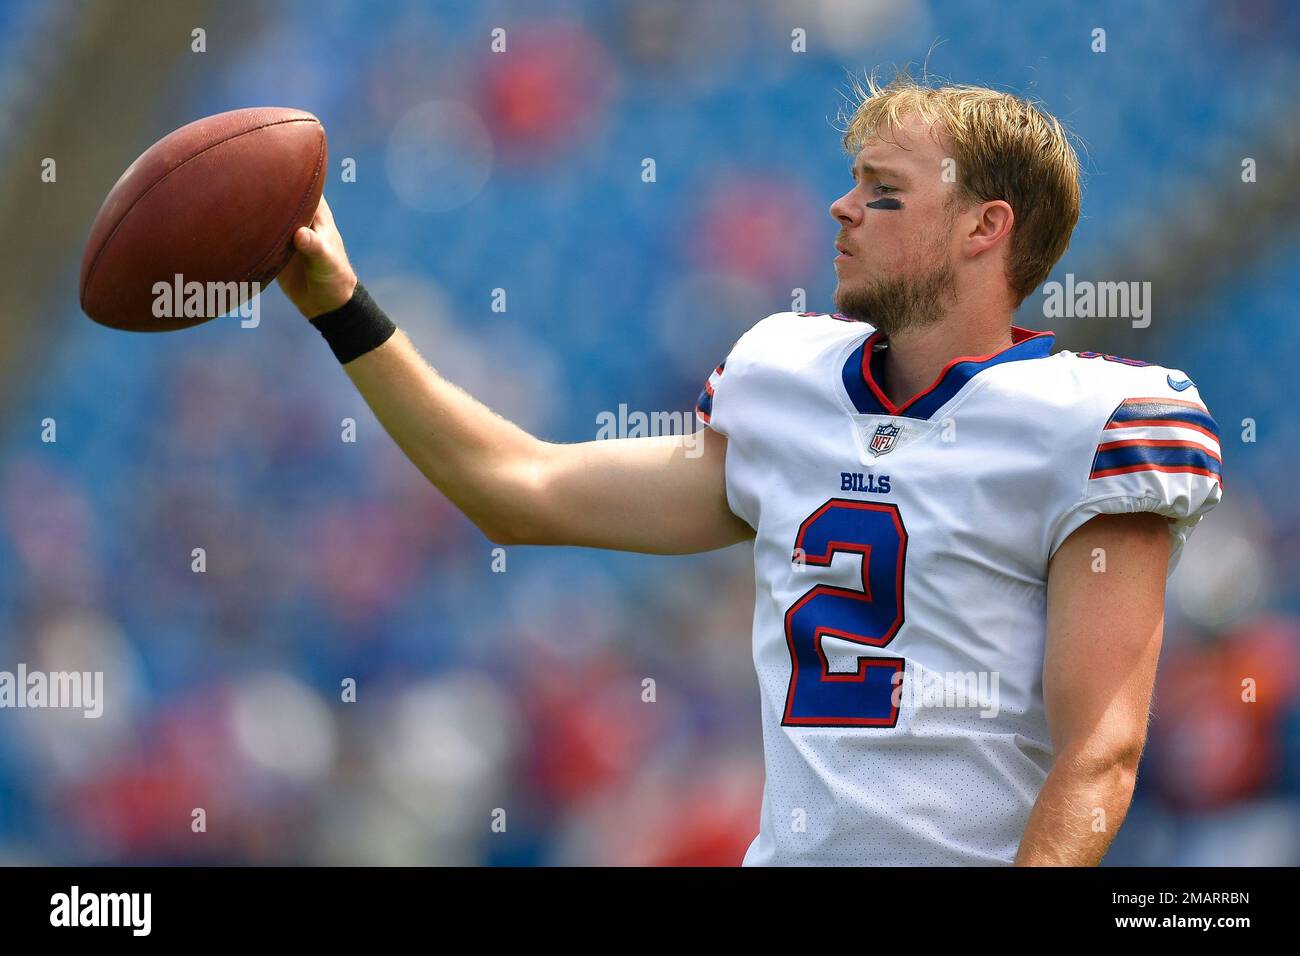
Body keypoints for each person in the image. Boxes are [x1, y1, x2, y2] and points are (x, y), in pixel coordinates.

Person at [276, 73, 1223, 866]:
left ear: (985, 228)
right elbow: (515, 489)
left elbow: (1102, 751)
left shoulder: (1098, 419)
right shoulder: (790, 380)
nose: (843, 207)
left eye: (885, 191)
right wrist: (341, 305)